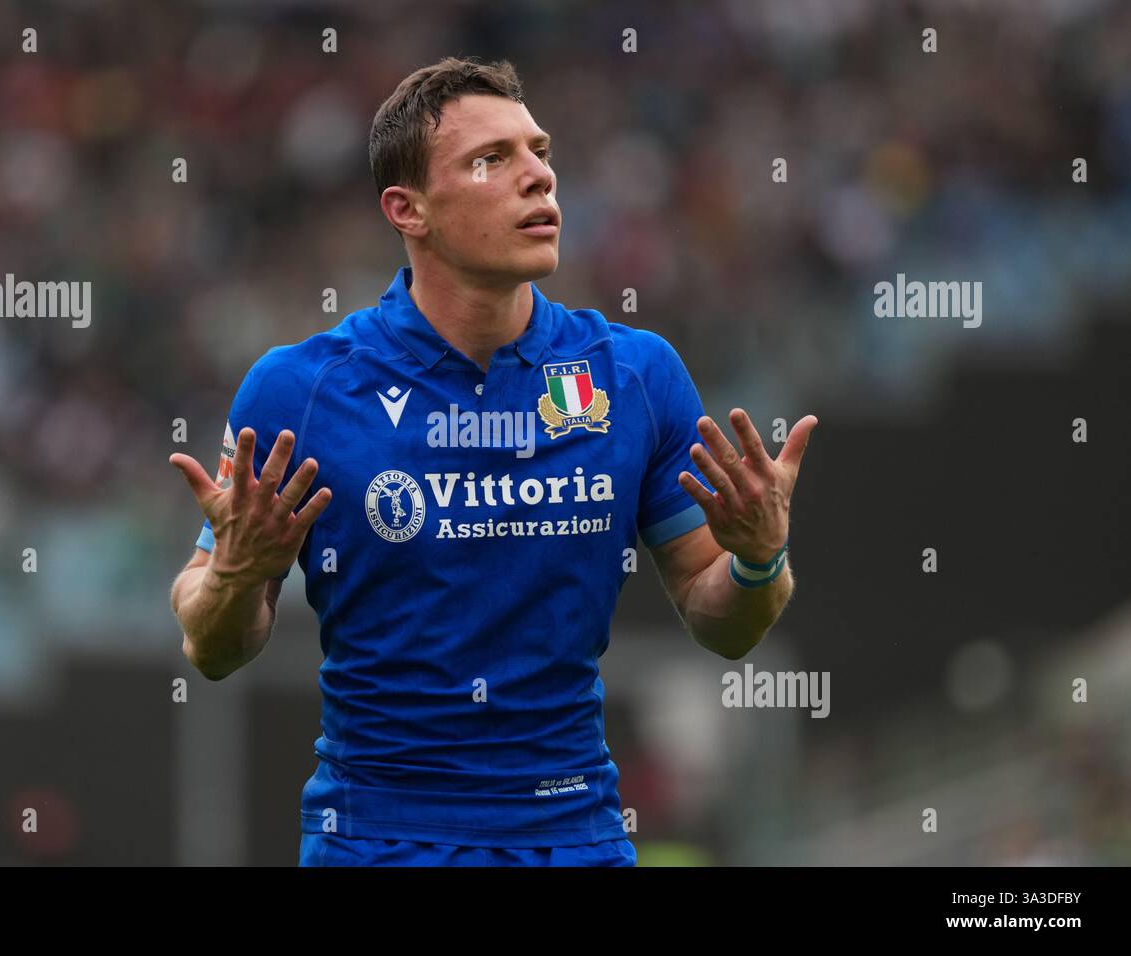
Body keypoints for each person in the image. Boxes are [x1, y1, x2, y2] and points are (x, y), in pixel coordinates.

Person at [168, 56, 817, 867]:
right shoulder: (298, 392)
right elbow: (212, 648)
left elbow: (719, 620)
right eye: (492, 160)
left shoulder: (635, 376)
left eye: (539, 151)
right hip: (376, 841)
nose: (539, 177)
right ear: (408, 210)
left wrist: (759, 560)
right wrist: (233, 573)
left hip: (573, 833)